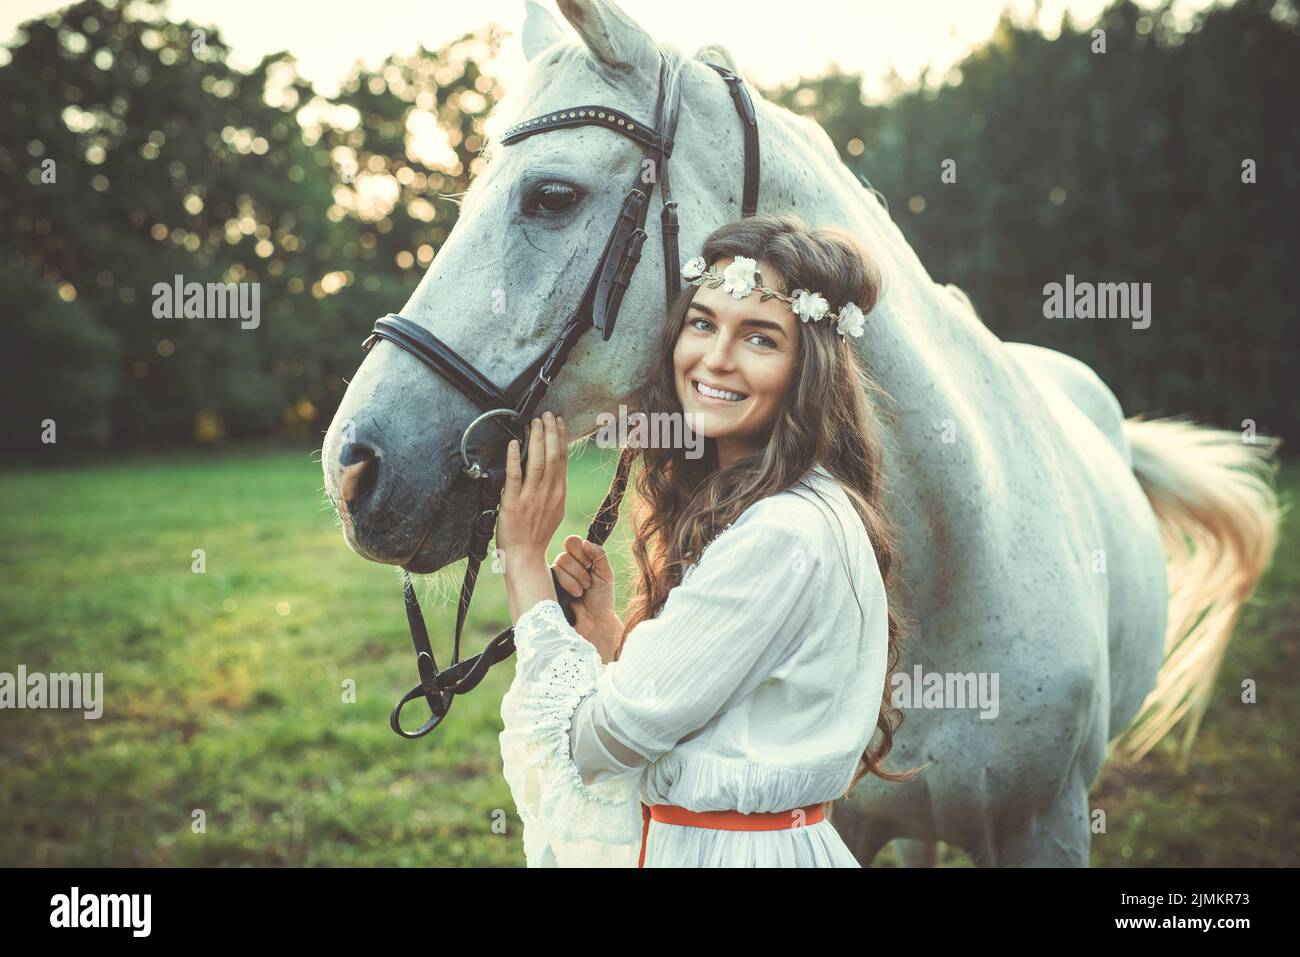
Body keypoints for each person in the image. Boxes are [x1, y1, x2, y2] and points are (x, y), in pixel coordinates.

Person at [495, 213, 920, 867]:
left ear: (808, 369)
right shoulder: (794, 508)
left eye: (760, 337)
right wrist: (606, 640)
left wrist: (524, 558)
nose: (717, 357)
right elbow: (712, 715)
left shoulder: (781, 533)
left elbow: (592, 746)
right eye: (702, 323)